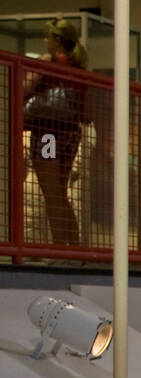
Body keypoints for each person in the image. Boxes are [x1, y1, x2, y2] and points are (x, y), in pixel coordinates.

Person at [22, 18, 90, 248]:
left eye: (48, 37)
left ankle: (63, 249)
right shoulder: (78, 68)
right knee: (60, 194)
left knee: (52, 195)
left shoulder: (48, 62)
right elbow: (87, 112)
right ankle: (74, 246)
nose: (45, 41)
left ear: (57, 41)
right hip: (70, 134)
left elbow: (23, 90)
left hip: (48, 133)